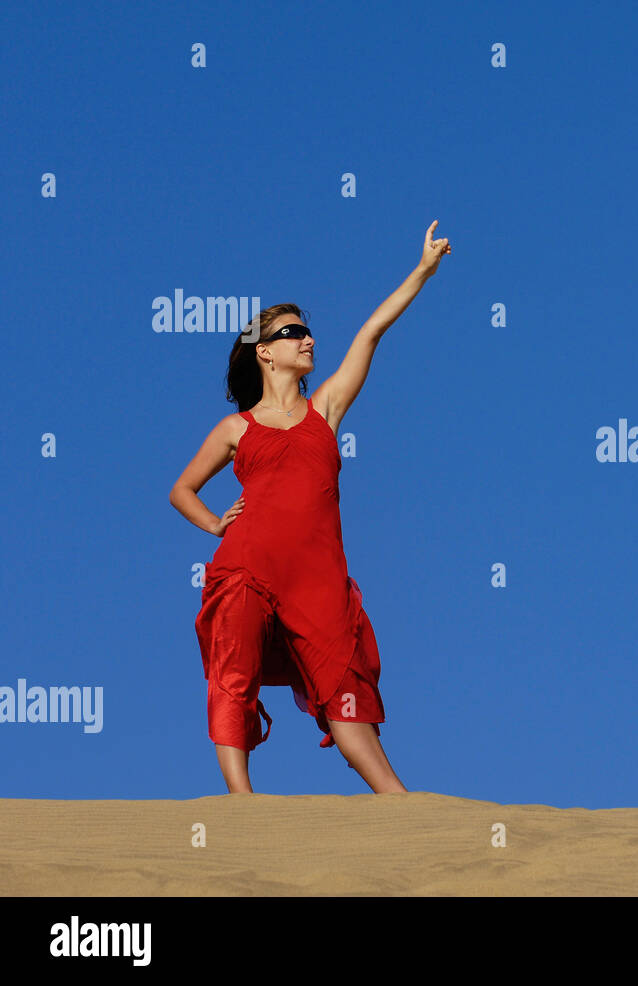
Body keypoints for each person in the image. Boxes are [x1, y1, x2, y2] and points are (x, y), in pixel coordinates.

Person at [169, 220, 451, 793]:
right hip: (247, 565)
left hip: (319, 580)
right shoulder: (237, 428)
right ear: (264, 353)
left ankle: (401, 803)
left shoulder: (325, 411)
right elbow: (181, 489)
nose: (308, 339)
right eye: (292, 332)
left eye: (307, 330)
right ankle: (241, 803)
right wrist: (215, 524)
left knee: (346, 691)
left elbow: (370, 333)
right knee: (233, 673)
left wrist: (421, 271)